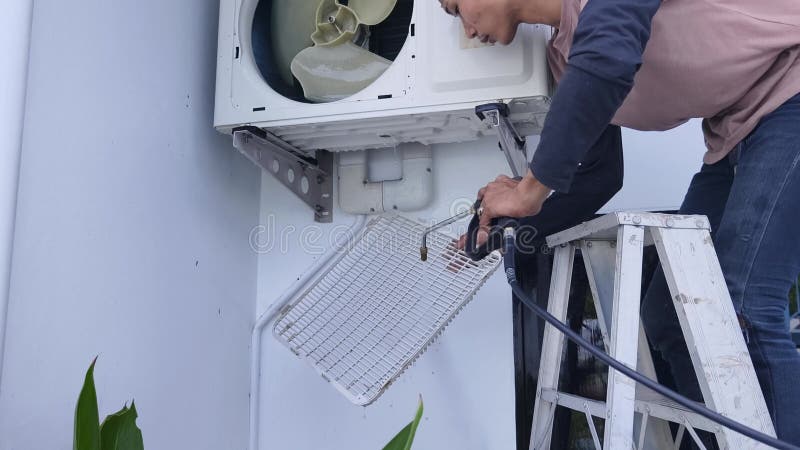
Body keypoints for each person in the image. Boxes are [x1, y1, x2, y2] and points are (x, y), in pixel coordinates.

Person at [440, 0, 800, 445]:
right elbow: (596, 176)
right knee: (670, 315)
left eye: (456, 8)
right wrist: (507, 231)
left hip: (792, 92)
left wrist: (528, 188)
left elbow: (609, 54)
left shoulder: (596, 30)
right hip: (737, 131)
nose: (467, 31)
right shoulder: (566, 60)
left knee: (743, 303)